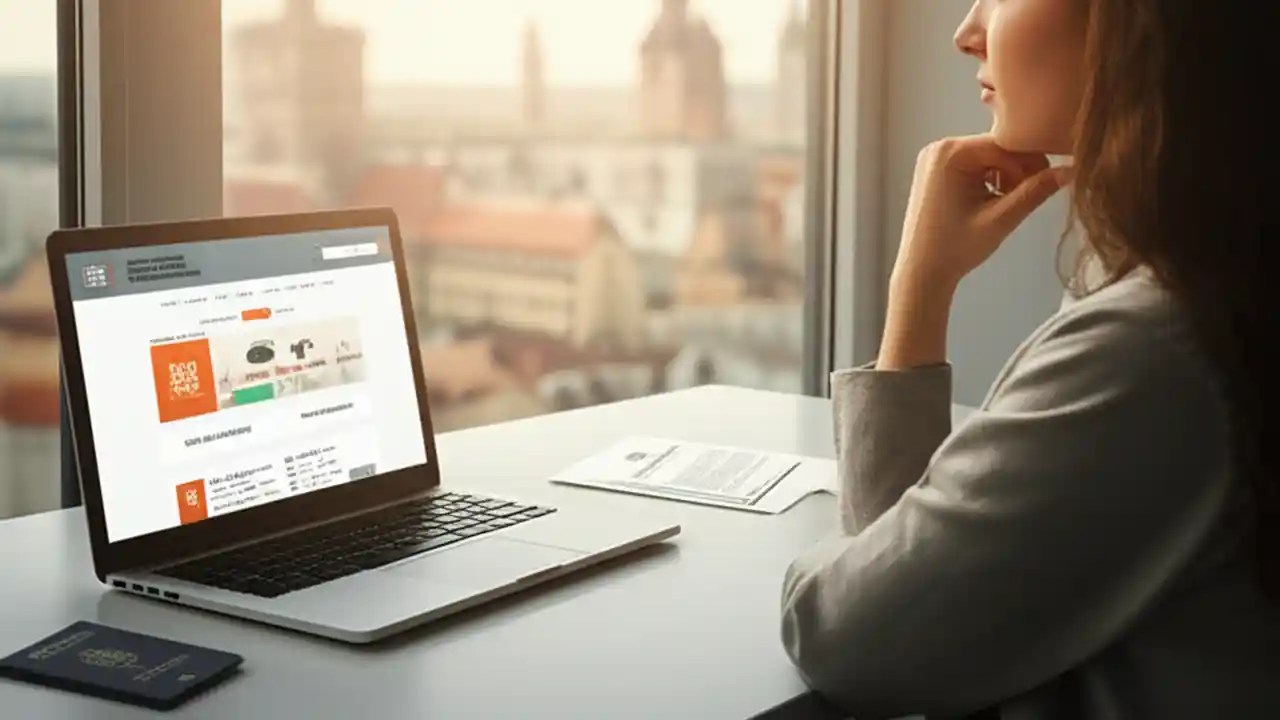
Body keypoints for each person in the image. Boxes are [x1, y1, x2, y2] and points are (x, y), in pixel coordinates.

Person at [779, 0, 1275, 717]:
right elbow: (908, 580)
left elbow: (848, 634)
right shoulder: (1213, 294)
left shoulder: (1150, 352)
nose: (966, 32)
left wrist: (918, 288)